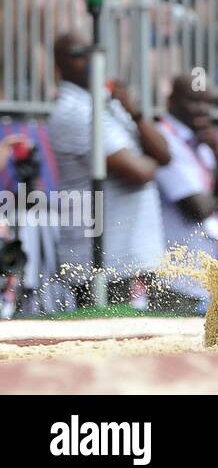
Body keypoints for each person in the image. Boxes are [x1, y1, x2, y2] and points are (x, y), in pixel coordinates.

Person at [46, 32, 170, 305]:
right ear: (59, 65)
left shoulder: (109, 102)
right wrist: (149, 161)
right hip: (101, 259)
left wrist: (135, 113)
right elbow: (140, 172)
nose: (89, 60)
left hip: (130, 253)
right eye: (78, 55)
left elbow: (164, 154)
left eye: (92, 52)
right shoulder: (72, 110)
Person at [155, 75, 218, 311]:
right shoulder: (162, 138)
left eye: (207, 103)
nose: (202, 110)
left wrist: (217, 151)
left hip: (200, 277)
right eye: (194, 101)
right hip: (172, 278)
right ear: (172, 102)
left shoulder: (201, 142)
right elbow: (197, 208)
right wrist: (217, 199)